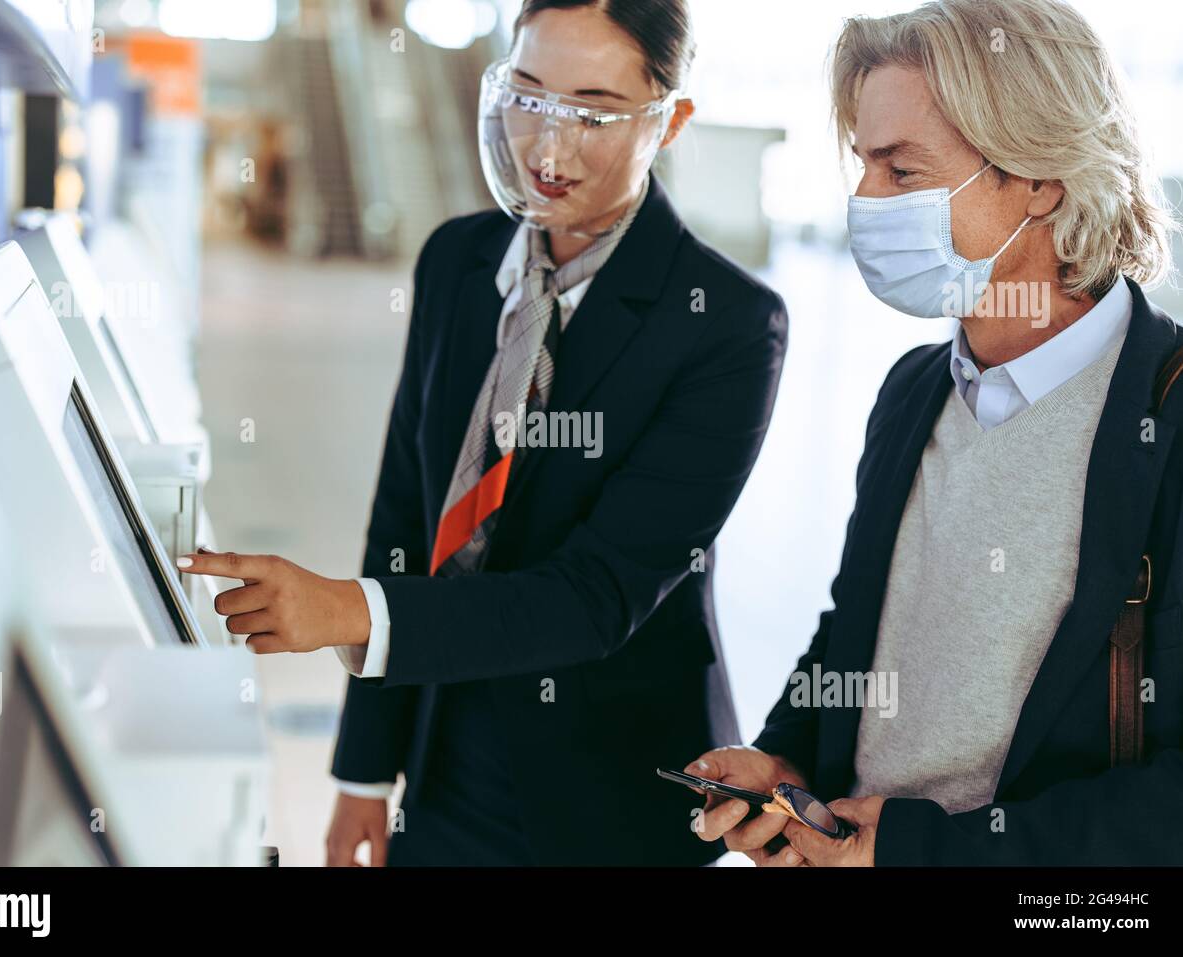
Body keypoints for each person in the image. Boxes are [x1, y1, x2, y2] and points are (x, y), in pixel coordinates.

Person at [181, 0, 788, 865]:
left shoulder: (725, 324)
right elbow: (406, 515)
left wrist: (347, 612)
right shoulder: (457, 264)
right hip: (446, 742)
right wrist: (363, 771)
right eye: (530, 95)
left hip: (610, 792)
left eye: (594, 112)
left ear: (671, 121)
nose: (548, 146)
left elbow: (597, 593)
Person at [687, 0, 1183, 866]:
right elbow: (860, 625)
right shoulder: (914, 391)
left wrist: (932, 853)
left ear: (1040, 177)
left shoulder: (1180, 419)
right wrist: (782, 764)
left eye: (901, 170)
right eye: (862, 166)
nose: (864, 201)